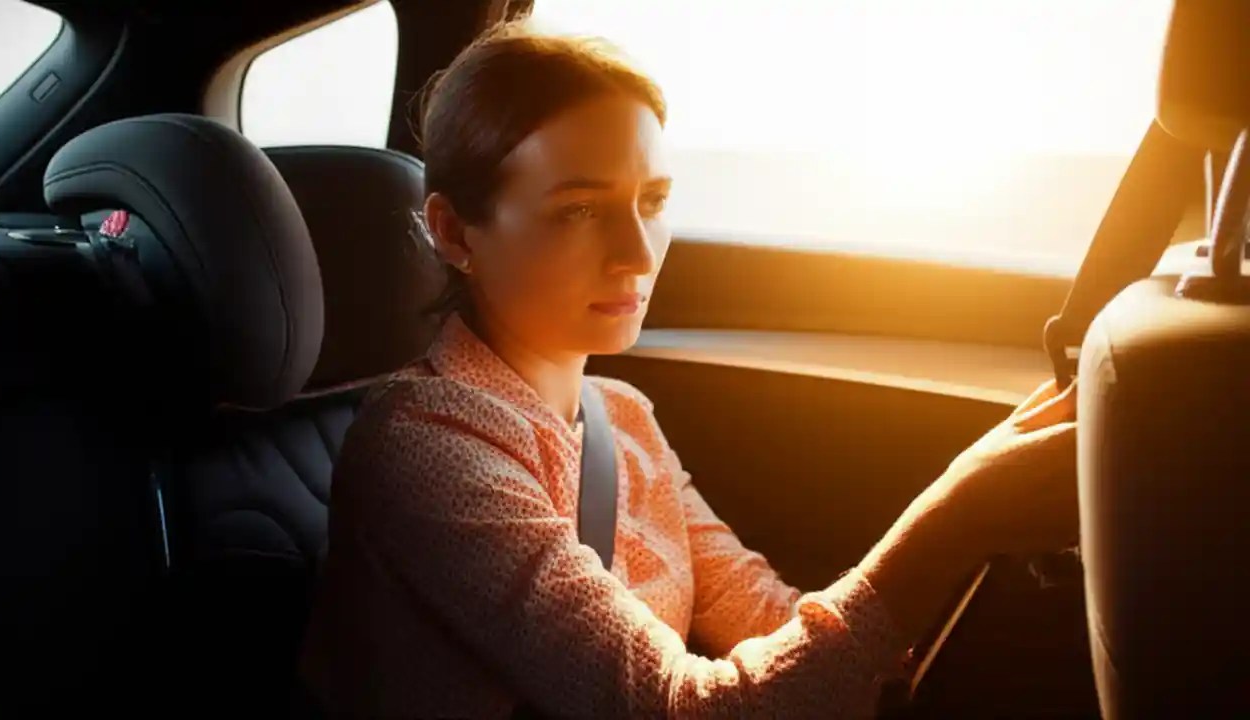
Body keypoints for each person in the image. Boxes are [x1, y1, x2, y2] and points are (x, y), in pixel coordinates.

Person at [299, 19, 1079, 719]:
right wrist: (954, 520)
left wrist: (929, 620)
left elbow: (764, 611)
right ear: (456, 232)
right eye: (579, 208)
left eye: (654, 199)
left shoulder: (624, 418)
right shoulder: (424, 448)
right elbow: (681, 711)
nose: (639, 254)